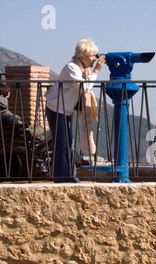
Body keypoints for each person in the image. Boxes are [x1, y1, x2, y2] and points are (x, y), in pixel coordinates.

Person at [46, 39, 106, 183]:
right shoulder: (71, 68)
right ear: (82, 56)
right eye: (92, 55)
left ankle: (71, 176)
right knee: (62, 145)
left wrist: (93, 69)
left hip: (65, 110)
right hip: (56, 108)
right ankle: (62, 178)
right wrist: (97, 70)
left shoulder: (82, 69)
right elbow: (84, 88)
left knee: (70, 145)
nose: (94, 59)